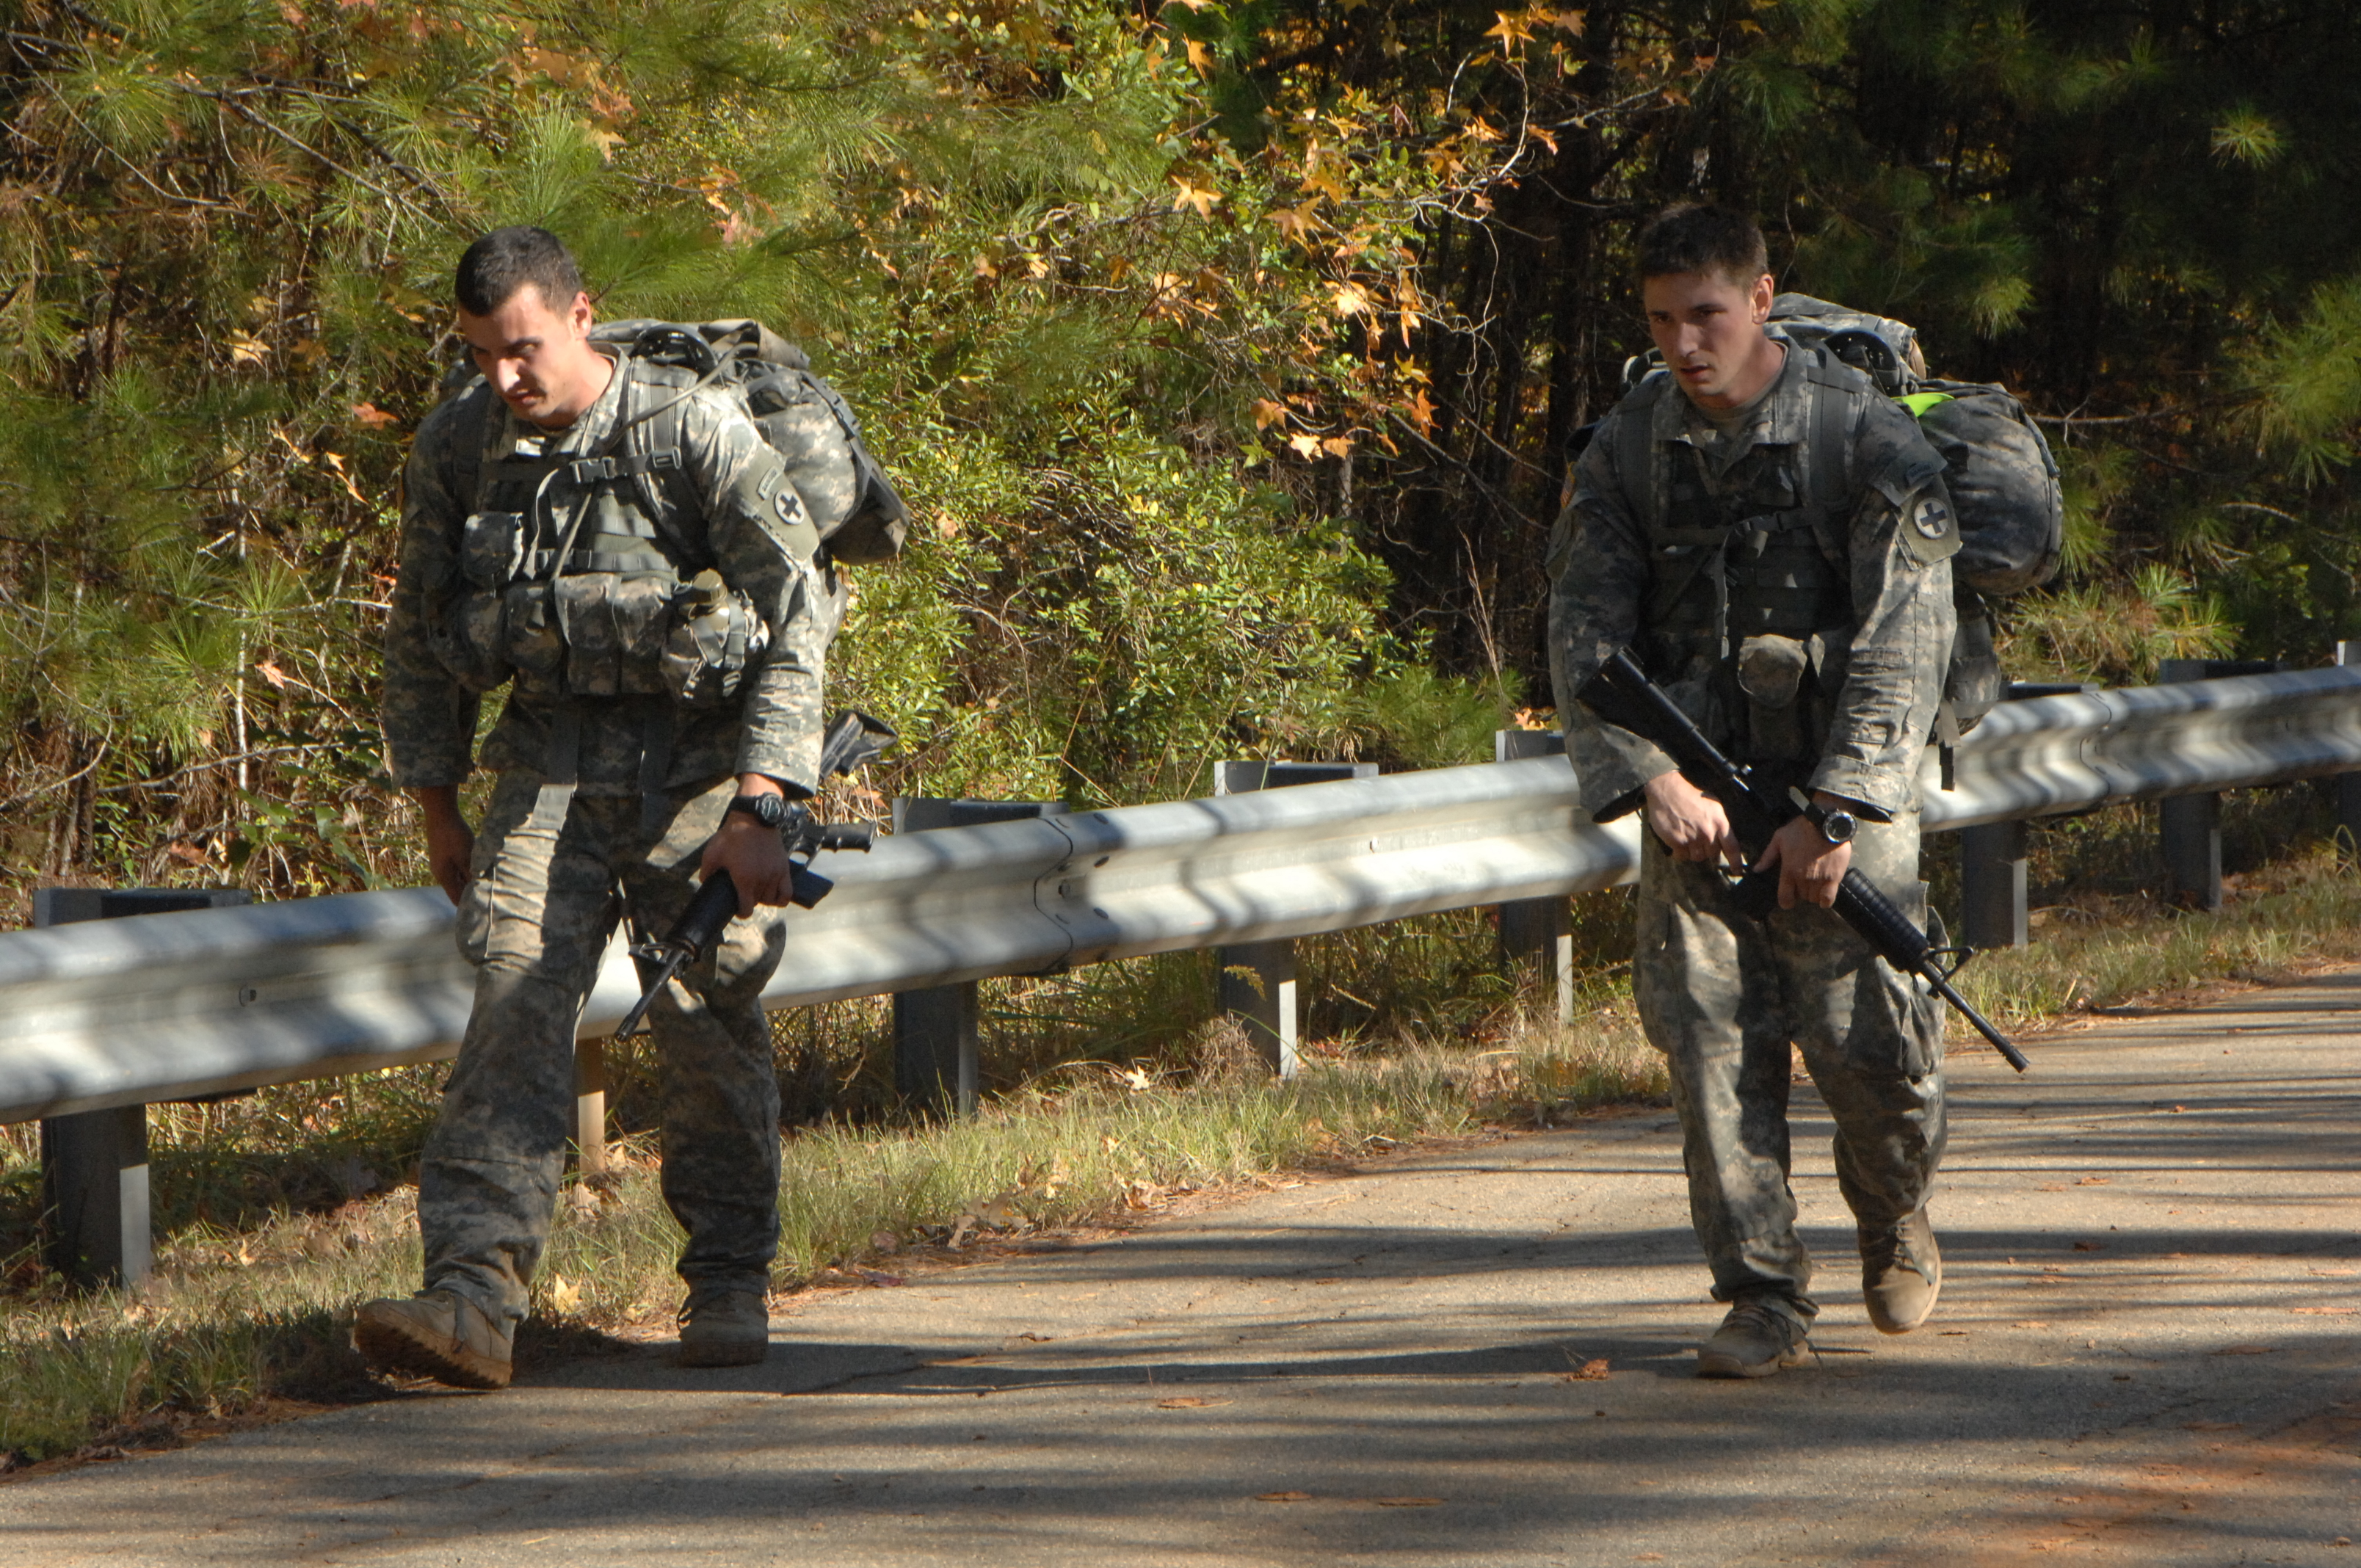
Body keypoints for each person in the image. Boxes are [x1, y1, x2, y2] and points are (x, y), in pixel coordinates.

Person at [356, 227, 829, 1388]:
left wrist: (763, 801)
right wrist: (436, 805)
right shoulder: (460, 441)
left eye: (520, 351)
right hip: (545, 772)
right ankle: (472, 1299)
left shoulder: (690, 430)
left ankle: (727, 1276)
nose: (503, 379)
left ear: (580, 315)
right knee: (513, 1011)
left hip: (696, 779)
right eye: (480, 357)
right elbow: (420, 634)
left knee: (706, 1022)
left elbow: (798, 608)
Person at [1547, 204, 1961, 1379]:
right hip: (1698, 799)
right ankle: (1763, 1297)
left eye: (1708, 315)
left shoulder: (1864, 440)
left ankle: (1894, 1215)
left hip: (1840, 793)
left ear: (1763, 298)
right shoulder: (1629, 446)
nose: (1686, 343)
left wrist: (1841, 813)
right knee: (1710, 1043)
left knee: (1862, 1049)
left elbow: (1905, 637)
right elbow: (1582, 622)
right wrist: (1648, 777)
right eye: (1662, 321)